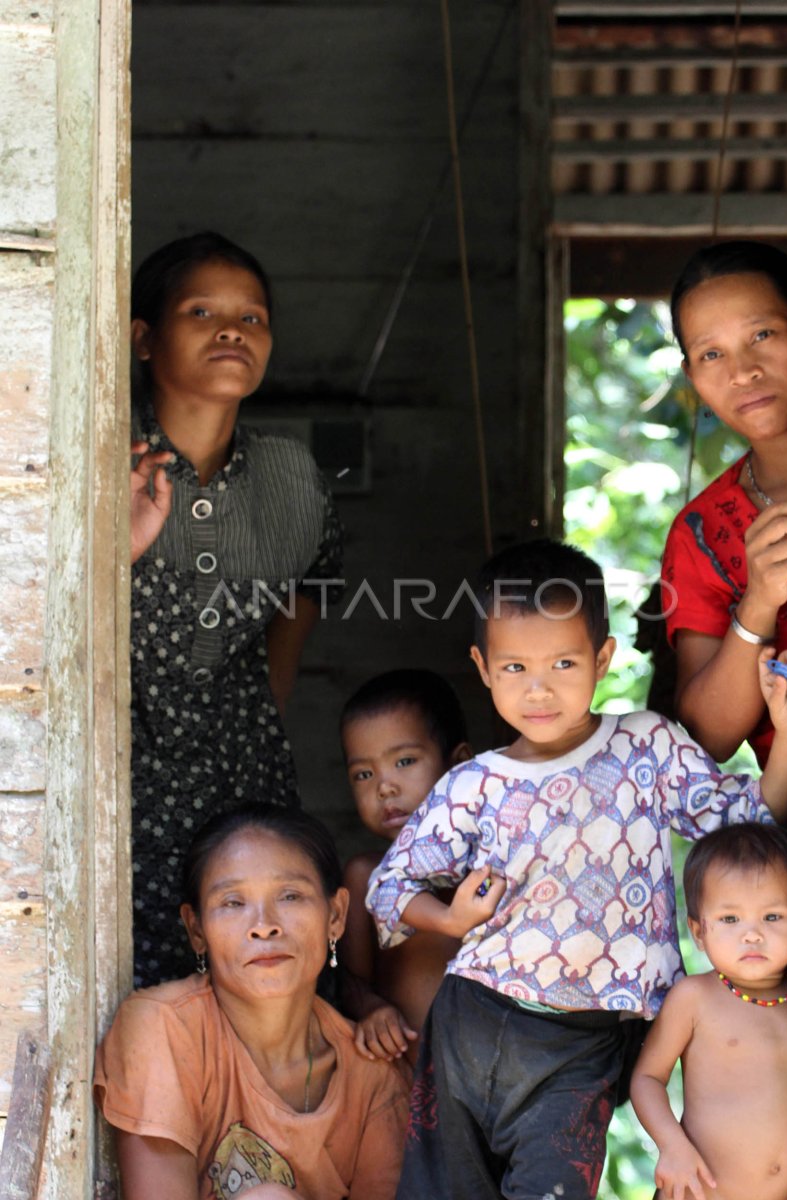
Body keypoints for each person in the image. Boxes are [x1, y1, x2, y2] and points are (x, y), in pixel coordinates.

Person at [365, 539, 787, 1200]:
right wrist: (451, 916)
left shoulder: (646, 747)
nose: (538, 688)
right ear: (483, 668)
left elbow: (744, 820)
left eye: (564, 662)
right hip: (472, 1020)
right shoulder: (475, 784)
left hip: (585, 1043)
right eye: (514, 666)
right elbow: (388, 888)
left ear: (602, 658)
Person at [127, 232, 343, 985]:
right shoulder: (102, 454)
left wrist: (269, 694)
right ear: (143, 339)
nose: (232, 331)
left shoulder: (289, 473)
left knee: (256, 981)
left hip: (242, 772)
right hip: (119, 770)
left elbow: (314, 575)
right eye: (201, 312)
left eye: (251, 319)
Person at [94, 804, 408, 1200]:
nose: (264, 925)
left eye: (291, 896)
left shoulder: (373, 1078)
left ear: (336, 916)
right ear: (196, 929)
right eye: (233, 903)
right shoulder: (164, 1026)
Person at [661, 241, 787, 780]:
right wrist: (759, 603)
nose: (742, 371)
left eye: (763, 335)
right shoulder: (701, 533)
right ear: (691, 375)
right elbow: (711, 737)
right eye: (711, 354)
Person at [630, 823, 787, 1200]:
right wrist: (672, 1146)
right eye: (730, 919)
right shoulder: (695, 998)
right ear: (699, 931)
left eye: (772, 916)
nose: (752, 934)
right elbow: (647, 1078)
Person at [338, 669, 472, 1067]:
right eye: (364, 773)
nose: (384, 787)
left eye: (405, 761)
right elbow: (348, 979)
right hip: (407, 1090)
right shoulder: (366, 877)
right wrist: (371, 1009)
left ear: (460, 764)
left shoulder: (495, 867)